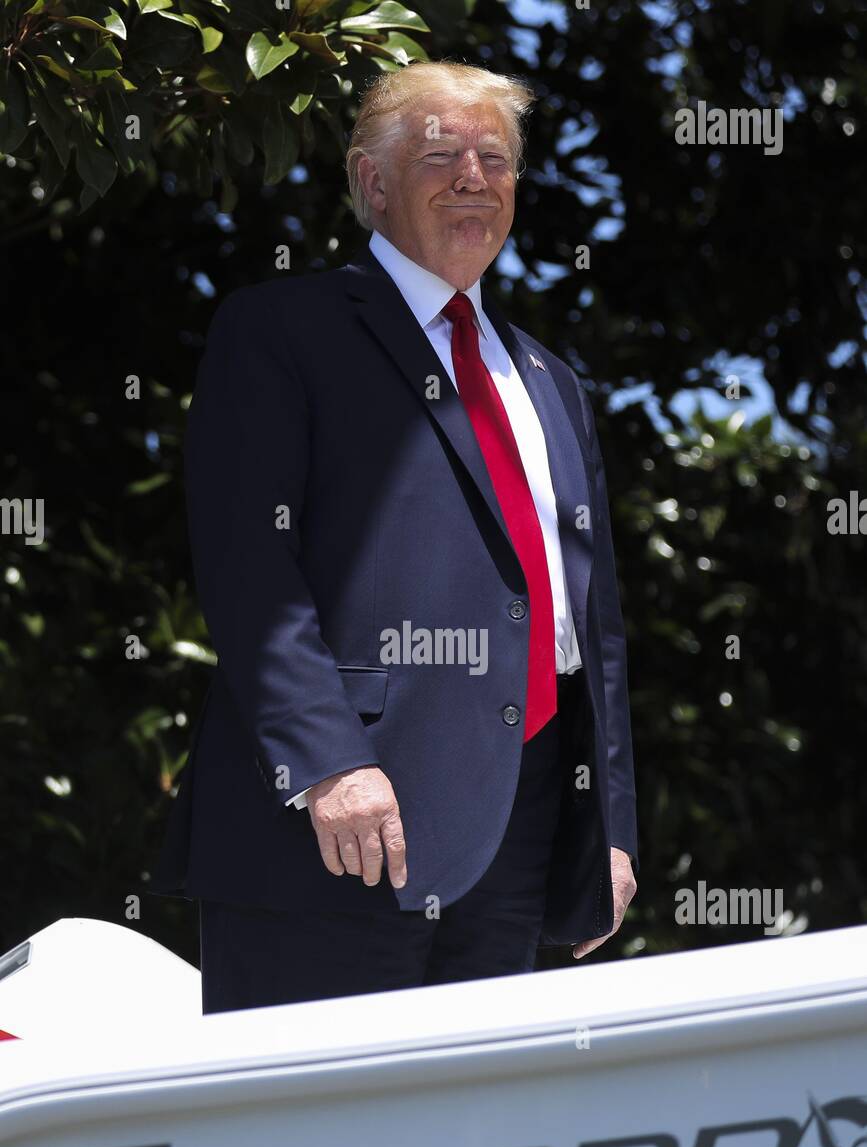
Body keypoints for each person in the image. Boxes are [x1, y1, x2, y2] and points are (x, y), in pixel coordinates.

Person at [150, 60, 638, 1013]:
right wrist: (328, 762)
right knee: (303, 1143)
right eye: (440, 153)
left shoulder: (551, 380)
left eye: (493, 156)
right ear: (371, 183)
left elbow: (593, 623)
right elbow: (250, 567)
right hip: (336, 827)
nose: (472, 176)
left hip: (519, 827)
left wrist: (606, 822)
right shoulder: (281, 328)